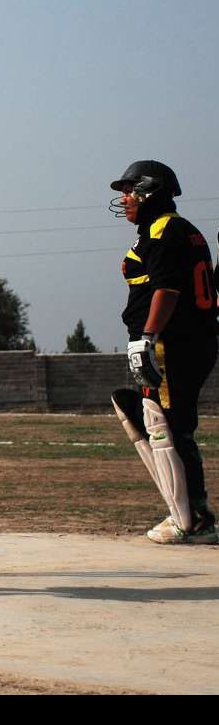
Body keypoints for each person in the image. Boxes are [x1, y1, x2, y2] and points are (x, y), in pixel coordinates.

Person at [108, 162, 218, 544]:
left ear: (148, 191)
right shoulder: (179, 230)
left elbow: (167, 290)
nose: (123, 200)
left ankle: (193, 519)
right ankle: (188, 513)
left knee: (167, 426)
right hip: (188, 340)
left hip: (174, 343)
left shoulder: (164, 230)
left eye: (128, 191)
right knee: (168, 422)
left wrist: (148, 336)